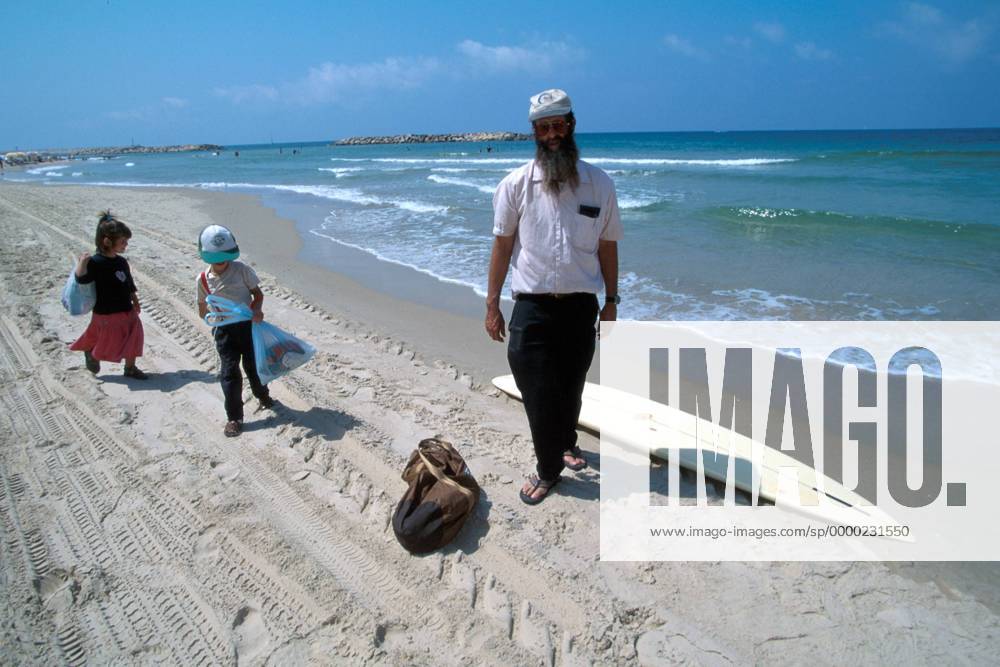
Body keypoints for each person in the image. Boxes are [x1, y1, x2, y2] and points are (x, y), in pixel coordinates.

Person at [485, 88, 623, 505]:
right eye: (543, 127)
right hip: (532, 306)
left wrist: (612, 303)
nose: (551, 134)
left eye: (557, 125)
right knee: (537, 390)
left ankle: (565, 443)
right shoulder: (515, 185)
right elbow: (502, 246)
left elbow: (608, 246)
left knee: (571, 386)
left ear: (571, 125)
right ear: (534, 132)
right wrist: (492, 304)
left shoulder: (599, 184)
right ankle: (549, 470)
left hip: (581, 306)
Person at [196, 224, 274, 437]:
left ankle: (262, 395)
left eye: (224, 256)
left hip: (248, 328)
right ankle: (234, 417)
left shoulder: (242, 270)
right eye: (215, 257)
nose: (221, 261)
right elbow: (202, 309)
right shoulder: (203, 280)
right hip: (224, 332)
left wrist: (256, 310)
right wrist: (212, 315)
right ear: (206, 256)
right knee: (229, 372)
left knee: (254, 367)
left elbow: (257, 294)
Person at [70, 210, 148, 379]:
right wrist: (82, 264)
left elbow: (129, 283)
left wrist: (135, 300)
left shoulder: (121, 261)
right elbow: (81, 280)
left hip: (126, 308)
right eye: (123, 241)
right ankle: (91, 352)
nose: (126, 245)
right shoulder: (95, 263)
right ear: (107, 241)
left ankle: (130, 368)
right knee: (106, 340)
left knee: (133, 336)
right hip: (105, 311)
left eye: (126, 241)